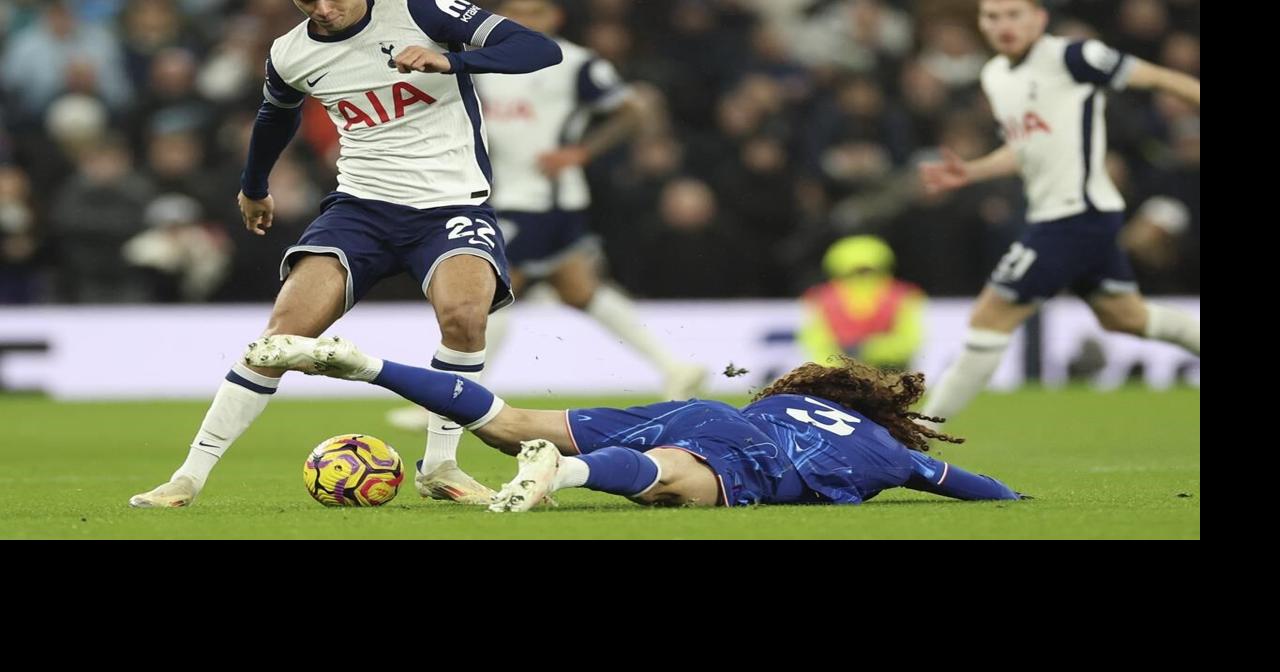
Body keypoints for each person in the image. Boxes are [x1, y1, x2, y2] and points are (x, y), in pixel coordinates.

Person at [128, 0, 563, 508]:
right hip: (361, 210)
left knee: (465, 318)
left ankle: (441, 465)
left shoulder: (421, 10)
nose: (322, 8)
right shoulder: (290, 52)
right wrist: (254, 185)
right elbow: (276, 114)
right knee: (280, 338)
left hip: (451, 206)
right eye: (307, 0)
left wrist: (452, 61)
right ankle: (188, 477)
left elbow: (539, 48)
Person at [245, 334, 1023, 511]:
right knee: (673, 481)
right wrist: (1013, 501)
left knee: (510, 421)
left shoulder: (790, 397)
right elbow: (966, 483)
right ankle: (566, 473)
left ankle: (367, 364)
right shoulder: (892, 453)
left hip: (704, 411)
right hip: (757, 455)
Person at [387, 0, 705, 432]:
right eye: (515, 12)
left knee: (486, 290)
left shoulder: (577, 63)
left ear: (554, 18)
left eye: (533, 12)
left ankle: (453, 400)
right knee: (579, 290)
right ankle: (676, 366)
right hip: (506, 194)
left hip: (541, 199)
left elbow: (632, 110)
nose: (523, 20)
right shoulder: (487, 61)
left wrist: (582, 152)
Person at [916, 0, 1200, 429]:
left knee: (990, 315)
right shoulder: (995, 75)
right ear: (982, 23)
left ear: (1039, 18)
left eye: (1014, 14)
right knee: (1126, 316)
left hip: (1075, 215)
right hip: (1069, 216)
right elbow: (1024, 148)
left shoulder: (1074, 57)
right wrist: (973, 171)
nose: (1004, 24)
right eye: (993, 16)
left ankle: (920, 430)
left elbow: (1161, 78)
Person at [799, 235, 925, 372]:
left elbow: (909, 340)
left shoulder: (902, 296)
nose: (862, 277)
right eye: (857, 271)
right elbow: (816, 340)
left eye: (866, 271)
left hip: (887, 372)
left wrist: (866, 351)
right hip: (846, 374)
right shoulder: (902, 294)